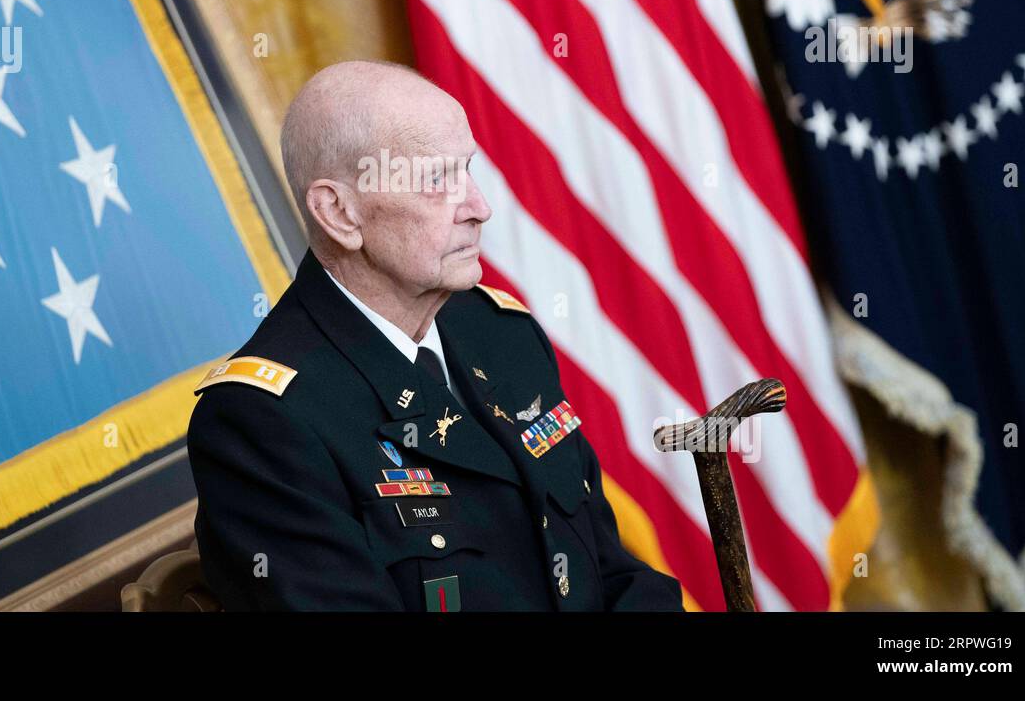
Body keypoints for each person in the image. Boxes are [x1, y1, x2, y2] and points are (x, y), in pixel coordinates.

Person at [186, 59, 684, 611]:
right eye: (436, 179)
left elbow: (610, 572)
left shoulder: (501, 334)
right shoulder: (260, 422)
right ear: (340, 213)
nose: (480, 207)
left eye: (467, 170)